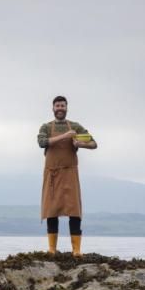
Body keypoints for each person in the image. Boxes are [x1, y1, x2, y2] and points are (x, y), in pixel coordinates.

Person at [37, 95, 97, 255]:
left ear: (66, 108)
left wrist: (80, 144)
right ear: (53, 108)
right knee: (51, 211)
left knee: (74, 211)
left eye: (62, 106)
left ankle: (76, 251)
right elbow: (42, 143)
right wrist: (65, 136)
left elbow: (94, 143)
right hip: (52, 173)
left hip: (70, 172)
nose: (60, 108)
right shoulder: (46, 127)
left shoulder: (76, 126)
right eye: (57, 106)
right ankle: (51, 249)